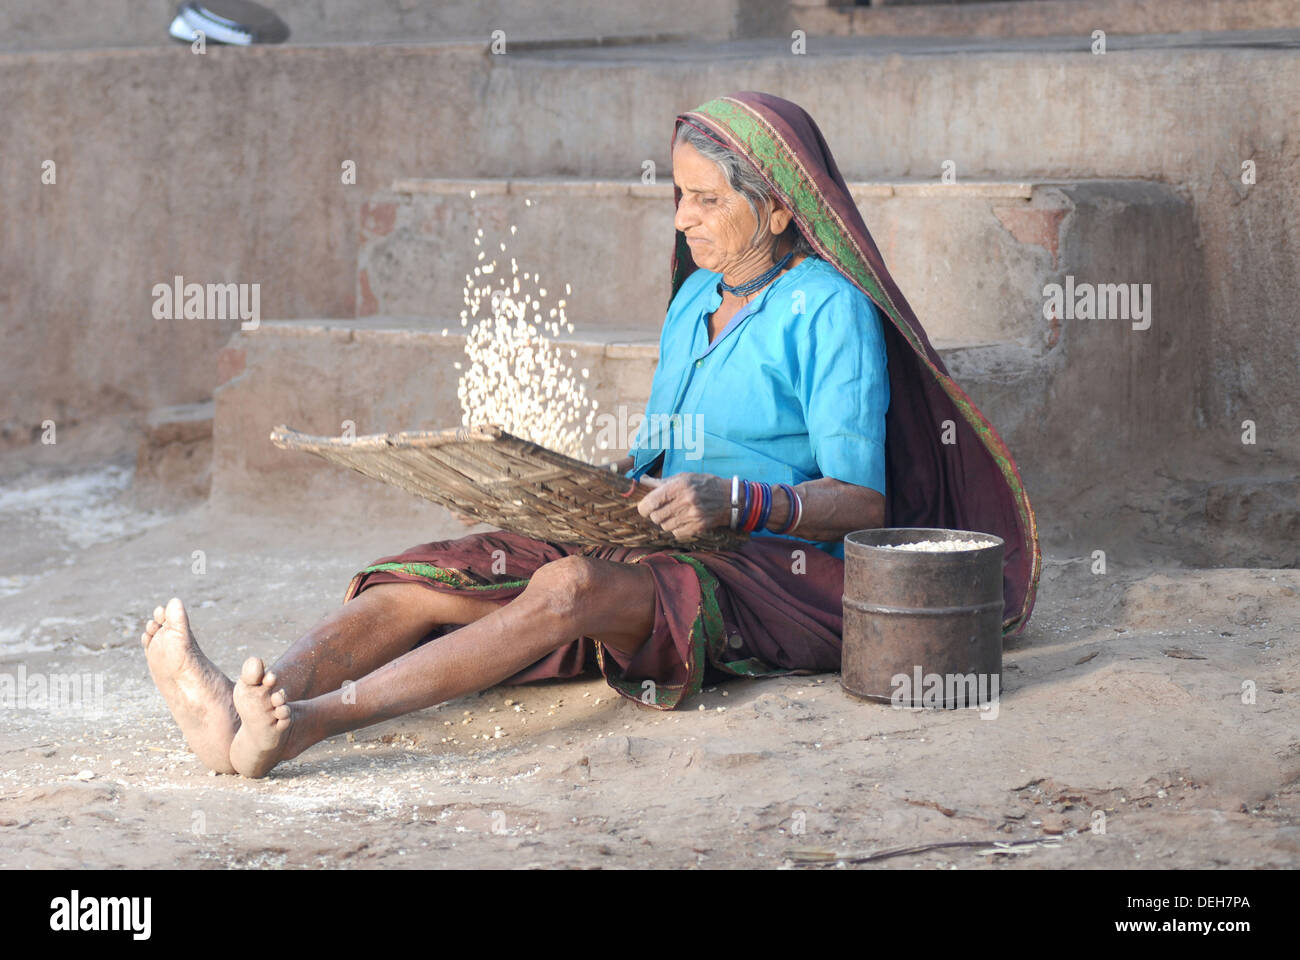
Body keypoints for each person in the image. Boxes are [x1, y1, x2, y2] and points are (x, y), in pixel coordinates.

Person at [141, 91, 1040, 778]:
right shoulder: (696, 300)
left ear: (777, 210)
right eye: (678, 196)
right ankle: (238, 718)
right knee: (420, 576)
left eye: (704, 200)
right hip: (658, 532)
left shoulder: (831, 314)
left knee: (570, 586)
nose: (682, 221)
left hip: (768, 566)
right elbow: (661, 452)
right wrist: (571, 482)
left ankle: (308, 726)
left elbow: (866, 502)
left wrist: (741, 498)